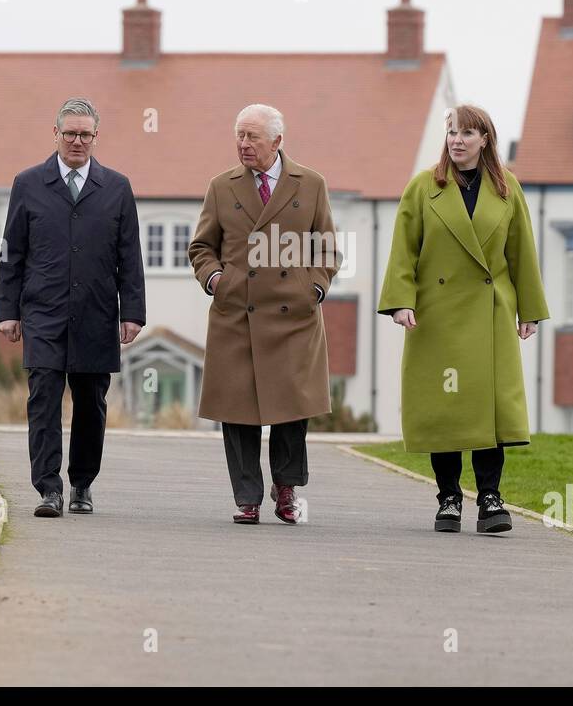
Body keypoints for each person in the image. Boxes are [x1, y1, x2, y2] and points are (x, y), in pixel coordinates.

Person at [378, 104, 549, 534]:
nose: (457, 140)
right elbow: (404, 250)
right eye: (452, 132)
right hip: (435, 315)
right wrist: (401, 300)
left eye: (467, 133)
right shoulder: (422, 188)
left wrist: (529, 310)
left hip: (491, 314)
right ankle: (449, 497)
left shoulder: (507, 188)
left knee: (491, 410)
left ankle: (491, 498)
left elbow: (521, 253)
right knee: (446, 407)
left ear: (485, 140)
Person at [188, 104, 341, 524]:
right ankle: (247, 496)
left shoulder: (310, 184)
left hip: (294, 316)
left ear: (277, 141)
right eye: (239, 135)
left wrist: (314, 287)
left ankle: (287, 490)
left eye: (253, 136)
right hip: (237, 313)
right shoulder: (222, 187)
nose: (244, 144)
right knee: (237, 411)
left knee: (292, 408)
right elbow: (201, 247)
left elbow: (327, 247)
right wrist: (217, 280)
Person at [0, 97, 145, 518]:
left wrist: (131, 312)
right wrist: (8, 309)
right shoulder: (27, 183)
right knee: (42, 398)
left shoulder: (116, 187)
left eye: (85, 134)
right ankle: (48, 489)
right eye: (70, 133)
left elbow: (129, 256)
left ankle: (81, 483)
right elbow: (11, 253)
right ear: (56, 134)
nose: (77, 141)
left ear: (96, 137)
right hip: (43, 312)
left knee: (91, 403)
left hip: (96, 313)